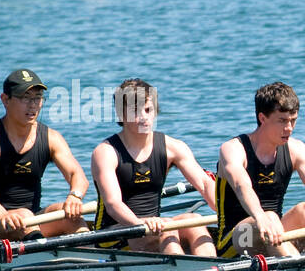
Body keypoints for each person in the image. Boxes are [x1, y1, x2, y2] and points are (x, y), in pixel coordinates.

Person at [91, 78, 218, 256]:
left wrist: (229, 212)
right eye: (136, 111)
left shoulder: (173, 147)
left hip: (156, 225)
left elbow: (205, 185)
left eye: (148, 110)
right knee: (166, 230)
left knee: (194, 220)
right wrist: (139, 225)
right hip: (115, 233)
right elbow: (113, 204)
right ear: (121, 115)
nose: (144, 117)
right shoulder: (106, 152)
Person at [215, 81, 305, 258]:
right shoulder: (233, 149)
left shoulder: (297, 149)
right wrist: (261, 217)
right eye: (282, 121)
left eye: (293, 120)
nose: (289, 128)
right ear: (262, 118)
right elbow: (243, 187)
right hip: (238, 240)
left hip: (274, 232)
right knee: (270, 216)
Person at [0, 68, 89, 241]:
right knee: (24, 216)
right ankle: (41, 253)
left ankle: (91, 263)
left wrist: (74, 196)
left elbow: (77, 176)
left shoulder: (51, 137)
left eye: (37, 98)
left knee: (70, 216)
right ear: (5, 100)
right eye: (25, 98)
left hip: (33, 220)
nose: (33, 105)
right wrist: (3, 215)